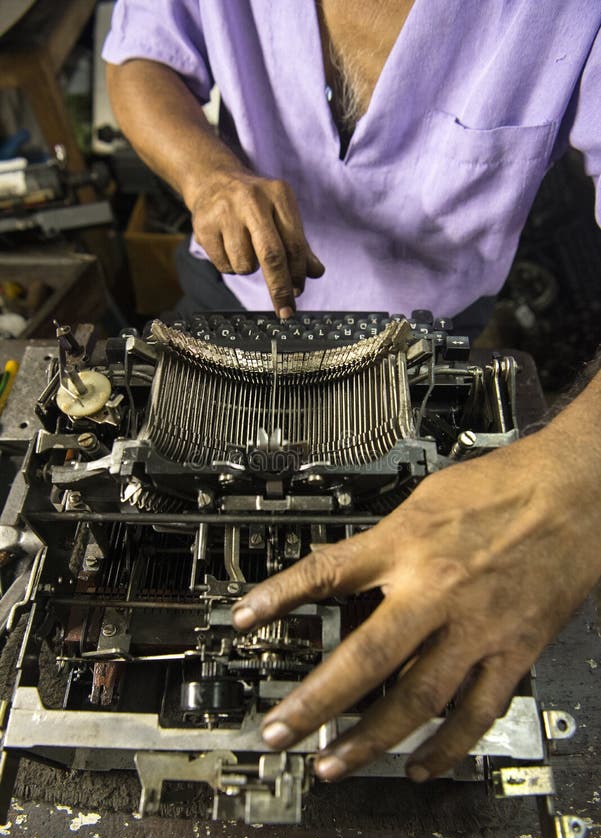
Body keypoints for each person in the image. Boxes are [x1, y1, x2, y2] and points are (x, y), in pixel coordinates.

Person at [103, 1, 601, 785]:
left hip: (428, 330)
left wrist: (572, 487)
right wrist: (208, 172)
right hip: (234, 290)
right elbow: (139, 61)